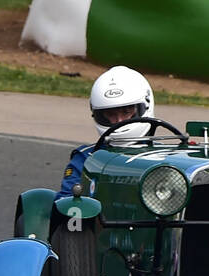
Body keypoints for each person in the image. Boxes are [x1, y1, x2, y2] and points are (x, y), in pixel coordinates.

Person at [59, 66, 155, 197]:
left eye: (126, 112)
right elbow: (67, 204)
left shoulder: (164, 158)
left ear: (146, 106)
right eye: (110, 114)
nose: (119, 121)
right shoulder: (86, 158)